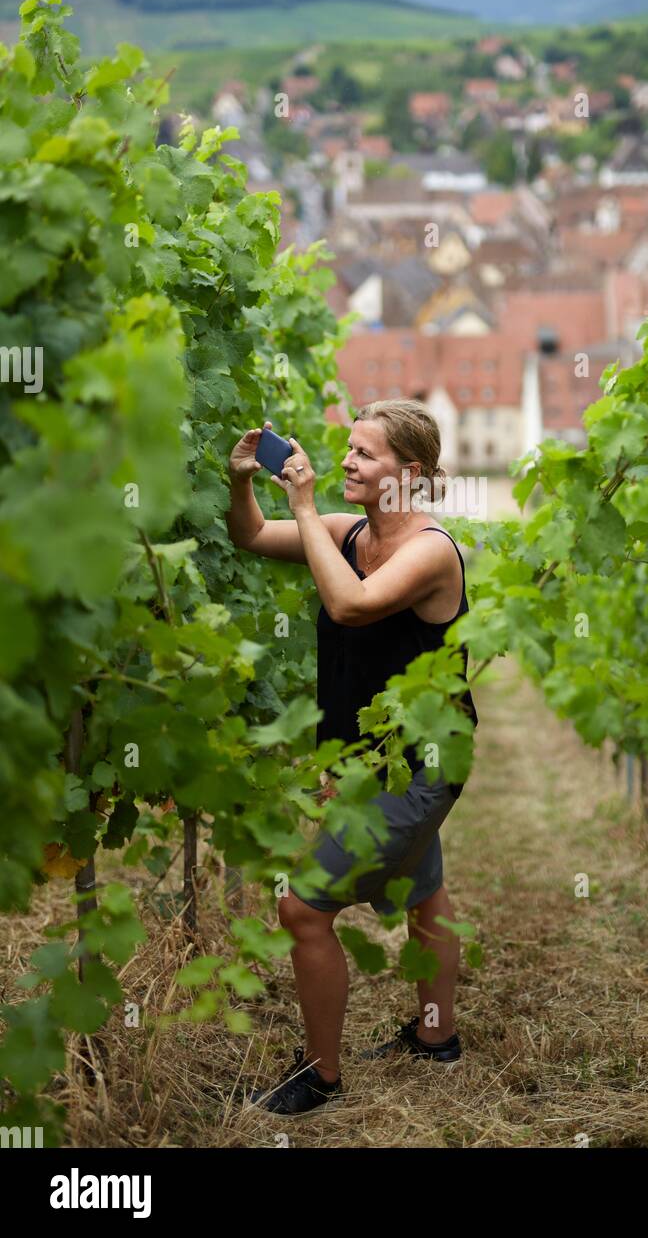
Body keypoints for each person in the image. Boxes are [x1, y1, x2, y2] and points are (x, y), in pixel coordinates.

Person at [225, 399, 477, 1116]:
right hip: (375, 764)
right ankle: (438, 1038)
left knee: (301, 909)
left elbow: (351, 607)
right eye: (348, 450)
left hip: (418, 767)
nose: (347, 462)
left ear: (411, 473)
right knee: (423, 893)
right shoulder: (349, 531)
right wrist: (245, 481)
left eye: (365, 453)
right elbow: (249, 538)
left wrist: (305, 508)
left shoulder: (429, 550)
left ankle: (321, 1077)